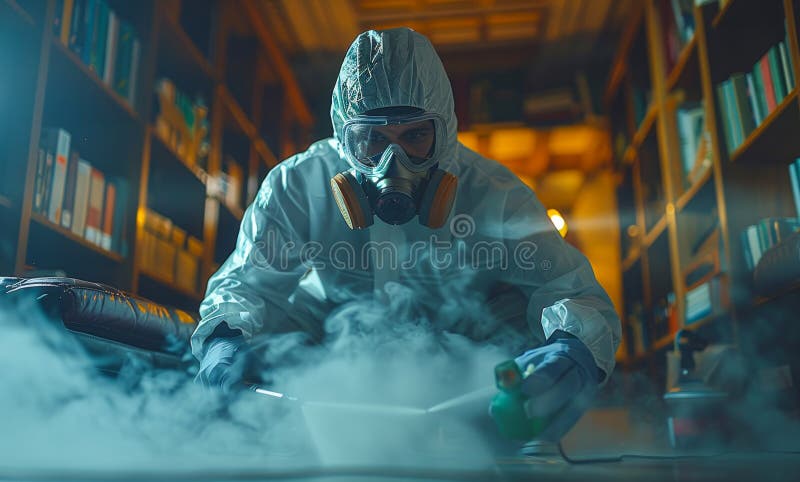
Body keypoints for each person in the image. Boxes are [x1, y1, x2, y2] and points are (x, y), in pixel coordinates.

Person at [192, 27, 621, 444]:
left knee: (515, 321)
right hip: (330, 377)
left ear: (444, 130)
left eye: (415, 135)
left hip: (462, 379)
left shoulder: (496, 194)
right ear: (344, 135)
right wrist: (224, 342)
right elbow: (245, 285)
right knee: (270, 335)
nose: (391, 164)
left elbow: (565, 288)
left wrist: (572, 349)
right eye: (372, 140)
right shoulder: (297, 186)